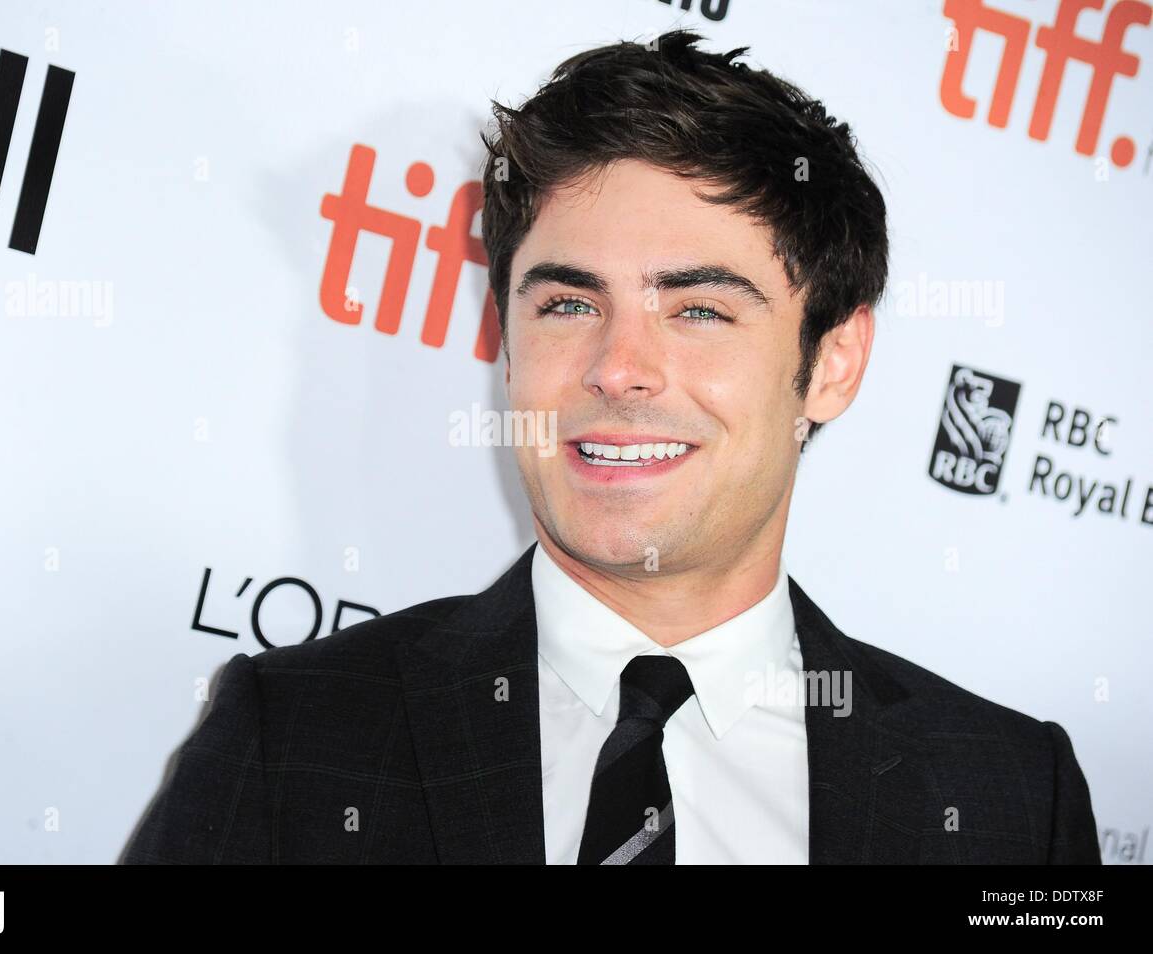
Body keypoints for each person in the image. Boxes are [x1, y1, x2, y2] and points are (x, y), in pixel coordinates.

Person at [121, 30, 1100, 865]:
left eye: (701, 309)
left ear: (832, 363)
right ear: (506, 344)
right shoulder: (291, 734)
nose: (619, 367)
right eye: (568, 303)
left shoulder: (1010, 800)